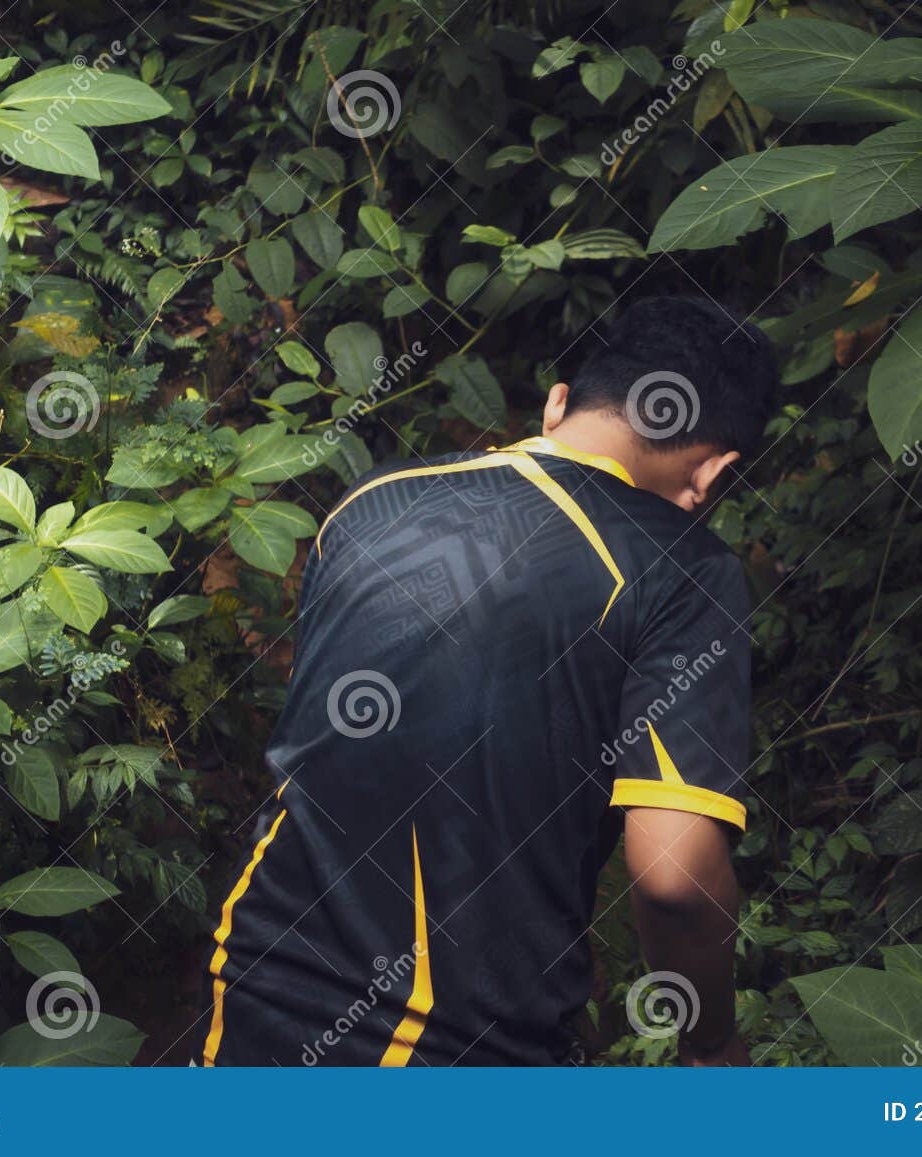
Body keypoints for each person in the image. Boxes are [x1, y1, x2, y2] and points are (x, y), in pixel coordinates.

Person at [200, 296, 777, 1066]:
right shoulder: (682, 571)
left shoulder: (370, 501)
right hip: (457, 1048)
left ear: (558, 403)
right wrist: (714, 1042)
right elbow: (674, 876)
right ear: (711, 472)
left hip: (250, 991)